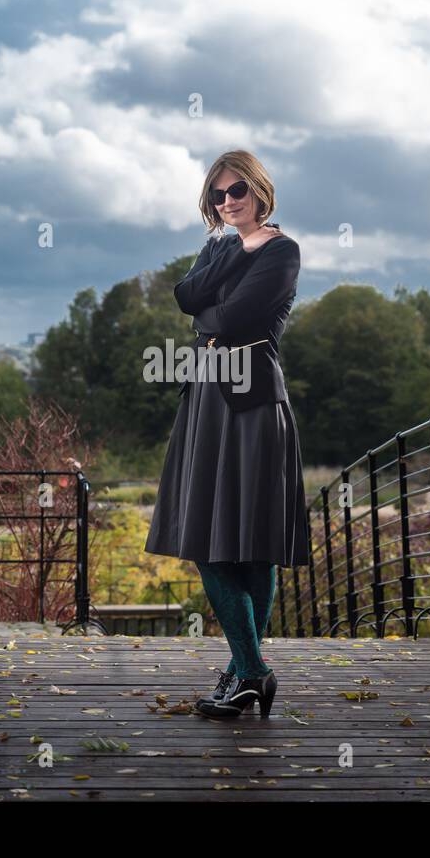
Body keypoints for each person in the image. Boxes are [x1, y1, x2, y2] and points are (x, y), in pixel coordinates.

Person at [144, 149, 310, 719]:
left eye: (237, 190)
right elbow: (188, 300)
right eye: (217, 194)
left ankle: (245, 673)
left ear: (260, 189)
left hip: (254, 405)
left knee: (251, 543)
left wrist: (212, 305)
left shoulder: (284, 250)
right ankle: (252, 672)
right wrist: (232, 255)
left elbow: (233, 318)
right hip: (205, 400)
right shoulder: (220, 244)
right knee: (206, 537)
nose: (228, 201)